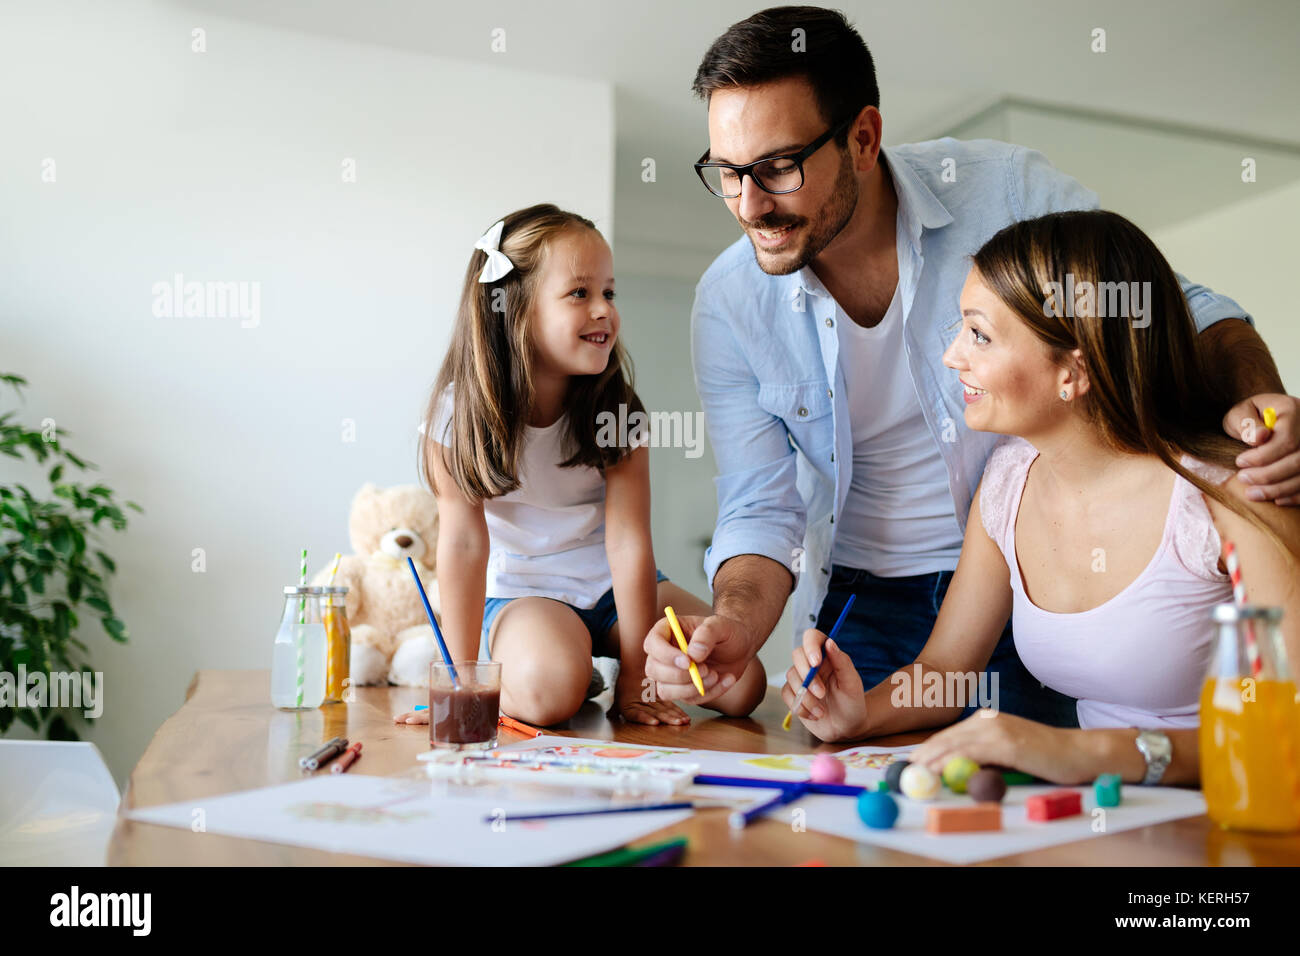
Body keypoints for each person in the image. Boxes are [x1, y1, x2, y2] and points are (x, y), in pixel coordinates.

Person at [643, 6, 1299, 723]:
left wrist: (1263, 418)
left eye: (777, 168)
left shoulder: (1005, 193)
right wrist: (736, 625)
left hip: (1034, 571)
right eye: (727, 172)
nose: (748, 204)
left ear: (862, 138)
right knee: (854, 760)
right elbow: (759, 507)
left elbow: (1176, 310)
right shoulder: (729, 302)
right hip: (866, 592)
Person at [781, 209, 1300, 786]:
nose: (953, 357)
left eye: (979, 335)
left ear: (1073, 372)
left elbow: (1288, 731)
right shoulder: (1008, 484)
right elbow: (946, 671)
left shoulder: (1235, 498)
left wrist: (1081, 751)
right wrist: (862, 713)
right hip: (1108, 813)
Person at [394, 204, 766, 729]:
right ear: (514, 310)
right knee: (549, 693)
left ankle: (603, 668)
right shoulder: (456, 418)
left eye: (609, 293)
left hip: (615, 589)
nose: (603, 310)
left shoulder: (618, 411)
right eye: (579, 293)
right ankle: (568, 667)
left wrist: (638, 680)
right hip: (526, 593)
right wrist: (460, 683)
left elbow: (629, 543)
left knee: (740, 682)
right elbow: (464, 546)